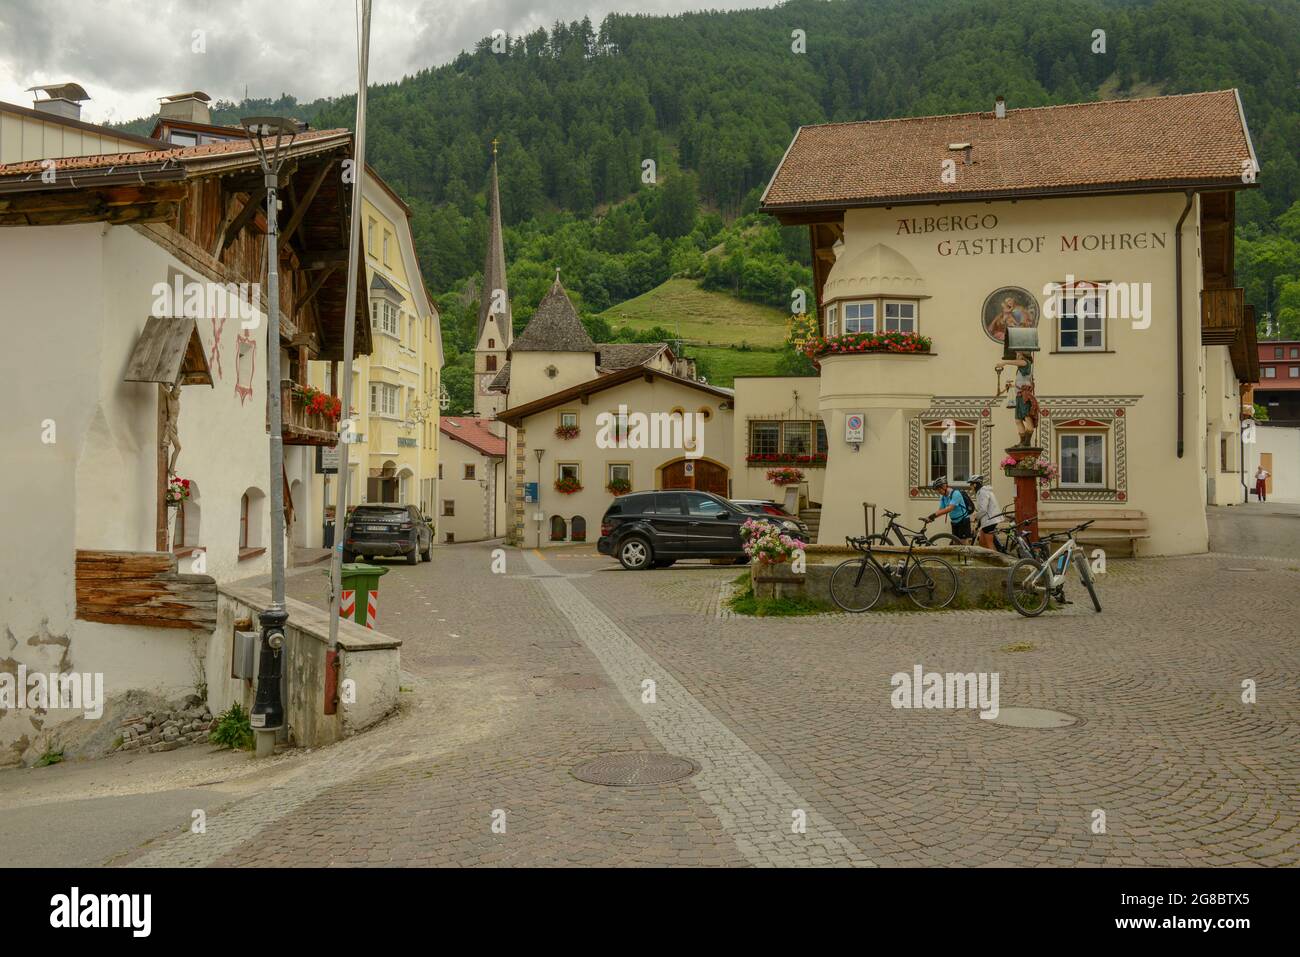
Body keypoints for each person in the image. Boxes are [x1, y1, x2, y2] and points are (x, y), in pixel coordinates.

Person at [928, 476, 972, 543]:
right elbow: (940, 510)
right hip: (954, 522)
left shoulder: (956, 493)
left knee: (962, 546)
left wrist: (933, 515)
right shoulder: (944, 497)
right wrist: (930, 518)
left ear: (944, 486)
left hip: (963, 521)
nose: (938, 491)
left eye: (939, 489)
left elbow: (950, 508)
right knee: (955, 544)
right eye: (937, 490)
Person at [969, 475, 1002, 551]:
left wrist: (975, 517)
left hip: (990, 520)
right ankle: (987, 559)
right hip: (987, 520)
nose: (970, 487)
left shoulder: (983, 493)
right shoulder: (981, 492)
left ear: (975, 484)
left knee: (989, 544)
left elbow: (983, 510)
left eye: (971, 484)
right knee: (982, 542)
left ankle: (995, 561)